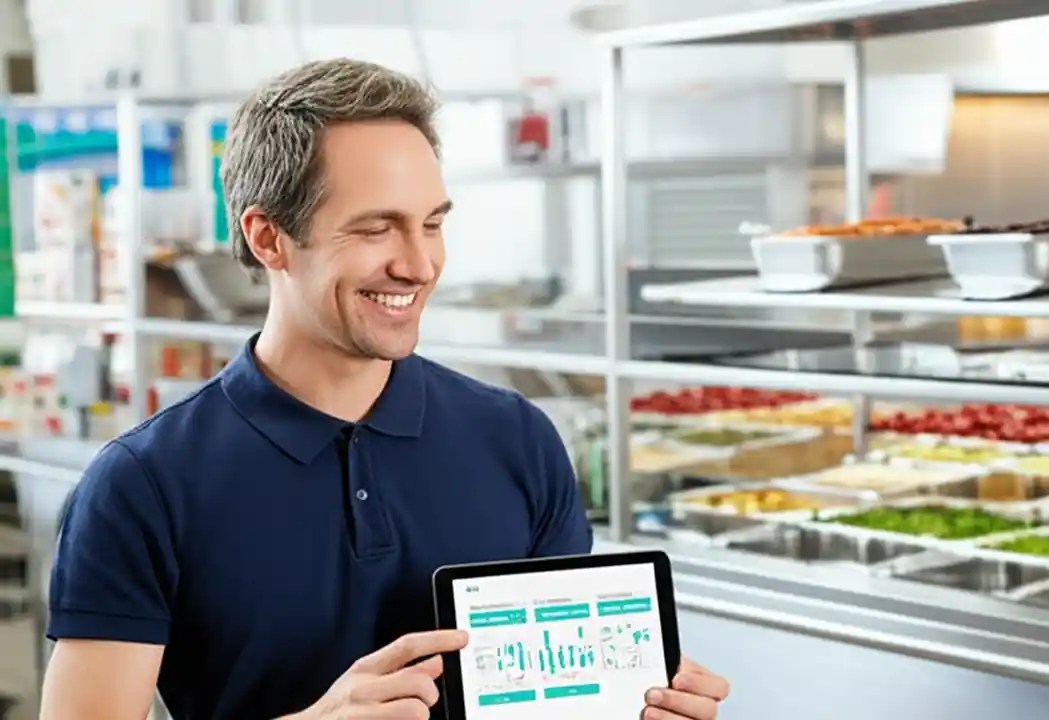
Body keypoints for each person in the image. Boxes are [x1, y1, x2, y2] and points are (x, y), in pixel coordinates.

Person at [39, 58, 730, 720]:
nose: (420, 263)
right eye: (377, 228)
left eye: (432, 223)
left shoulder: (517, 440)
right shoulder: (142, 485)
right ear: (268, 238)